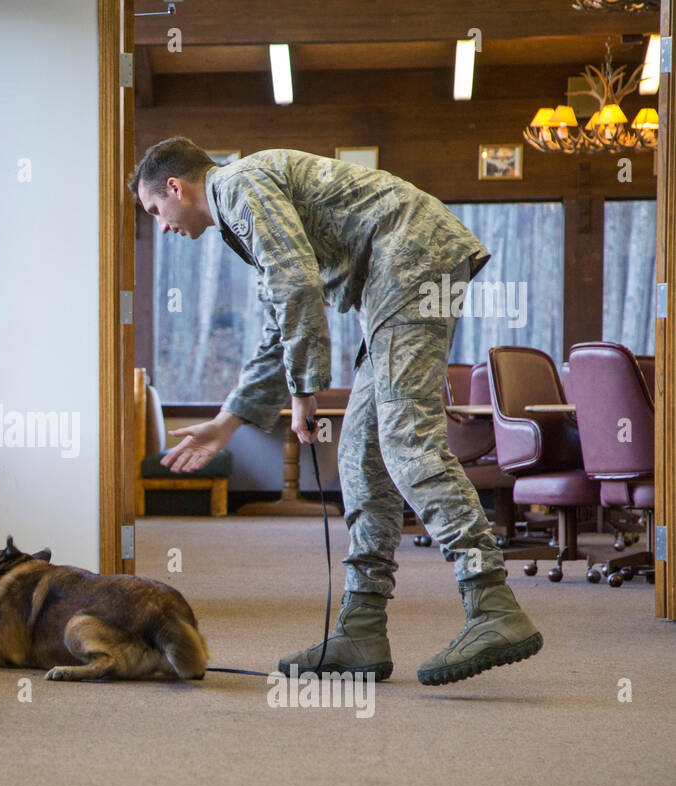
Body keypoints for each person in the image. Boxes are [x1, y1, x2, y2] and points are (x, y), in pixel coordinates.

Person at [128, 138, 542, 686]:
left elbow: (297, 286)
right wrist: (226, 423)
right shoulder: (241, 208)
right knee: (363, 456)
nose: (161, 226)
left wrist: (305, 391)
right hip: (392, 281)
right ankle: (362, 627)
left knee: (405, 440)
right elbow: (283, 316)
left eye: (155, 211)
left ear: (175, 187)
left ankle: (492, 603)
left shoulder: (237, 186)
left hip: (411, 263)